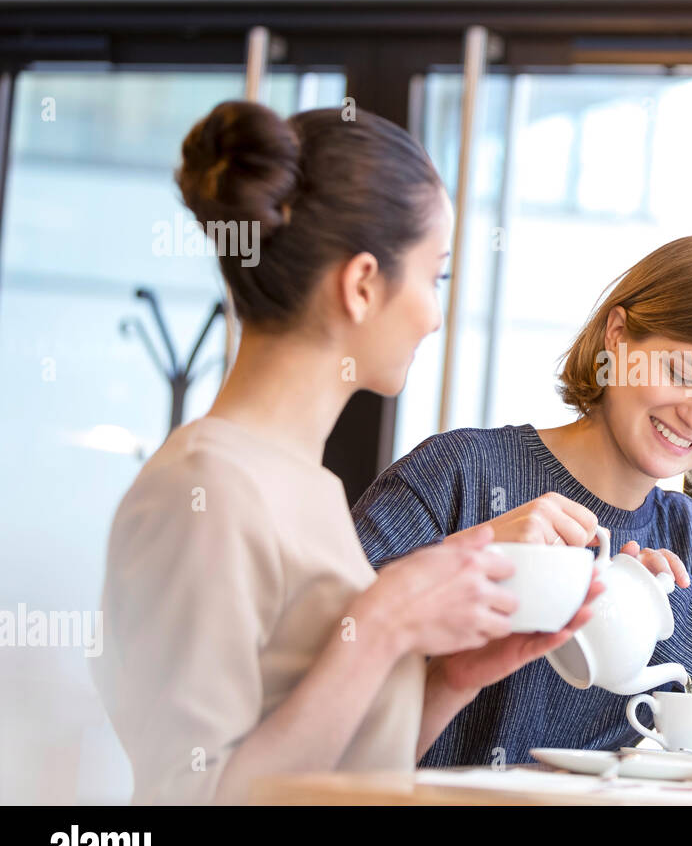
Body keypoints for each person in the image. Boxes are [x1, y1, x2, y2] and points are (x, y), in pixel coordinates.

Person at [91, 100, 600, 804]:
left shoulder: (306, 485)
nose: (436, 313)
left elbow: (337, 775)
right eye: (436, 277)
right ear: (362, 284)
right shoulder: (204, 487)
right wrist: (385, 623)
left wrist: (451, 678)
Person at [351, 233, 692, 766]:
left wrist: (664, 607)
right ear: (619, 337)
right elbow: (323, 645)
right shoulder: (461, 473)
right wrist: (472, 552)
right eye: (682, 374)